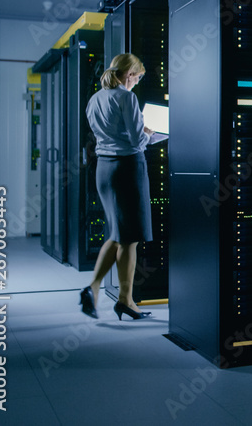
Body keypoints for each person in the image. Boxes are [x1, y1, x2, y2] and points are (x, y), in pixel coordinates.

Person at [79, 53, 155, 321]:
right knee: (130, 237)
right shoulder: (126, 97)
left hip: (104, 168)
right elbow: (135, 142)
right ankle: (126, 300)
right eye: (137, 77)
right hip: (127, 169)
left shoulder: (95, 99)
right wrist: (148, 134)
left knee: (118, 233)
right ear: (128, 74)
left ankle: (94, 288)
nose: (137, 82)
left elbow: (105, 134)